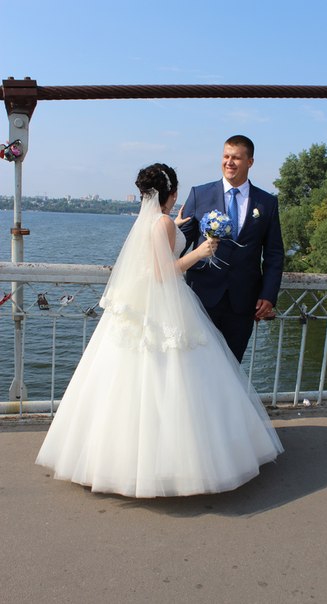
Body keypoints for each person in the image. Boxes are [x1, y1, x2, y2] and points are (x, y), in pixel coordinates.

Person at [36, 163, 283, 498]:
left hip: (142, 306)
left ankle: (112, 459)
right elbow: (163, 272)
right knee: (175, 379)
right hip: (168, 303)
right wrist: (200, 252)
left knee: (125, 384)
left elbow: (156, 248)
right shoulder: (162, 222)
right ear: (173, 192)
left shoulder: (150, 221)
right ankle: (183, 460)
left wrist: (176, 226)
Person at [181, 135, 284, 363]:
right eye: (226, 156)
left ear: (250, 162)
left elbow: (274, 254)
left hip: (243, 302)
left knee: (231, 367)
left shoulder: (267, 203)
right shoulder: (199, 194)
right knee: (195, 366)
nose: (229, 162)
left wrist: (268, 295)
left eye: (236, 158)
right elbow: (179, 243)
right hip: (200, 298)